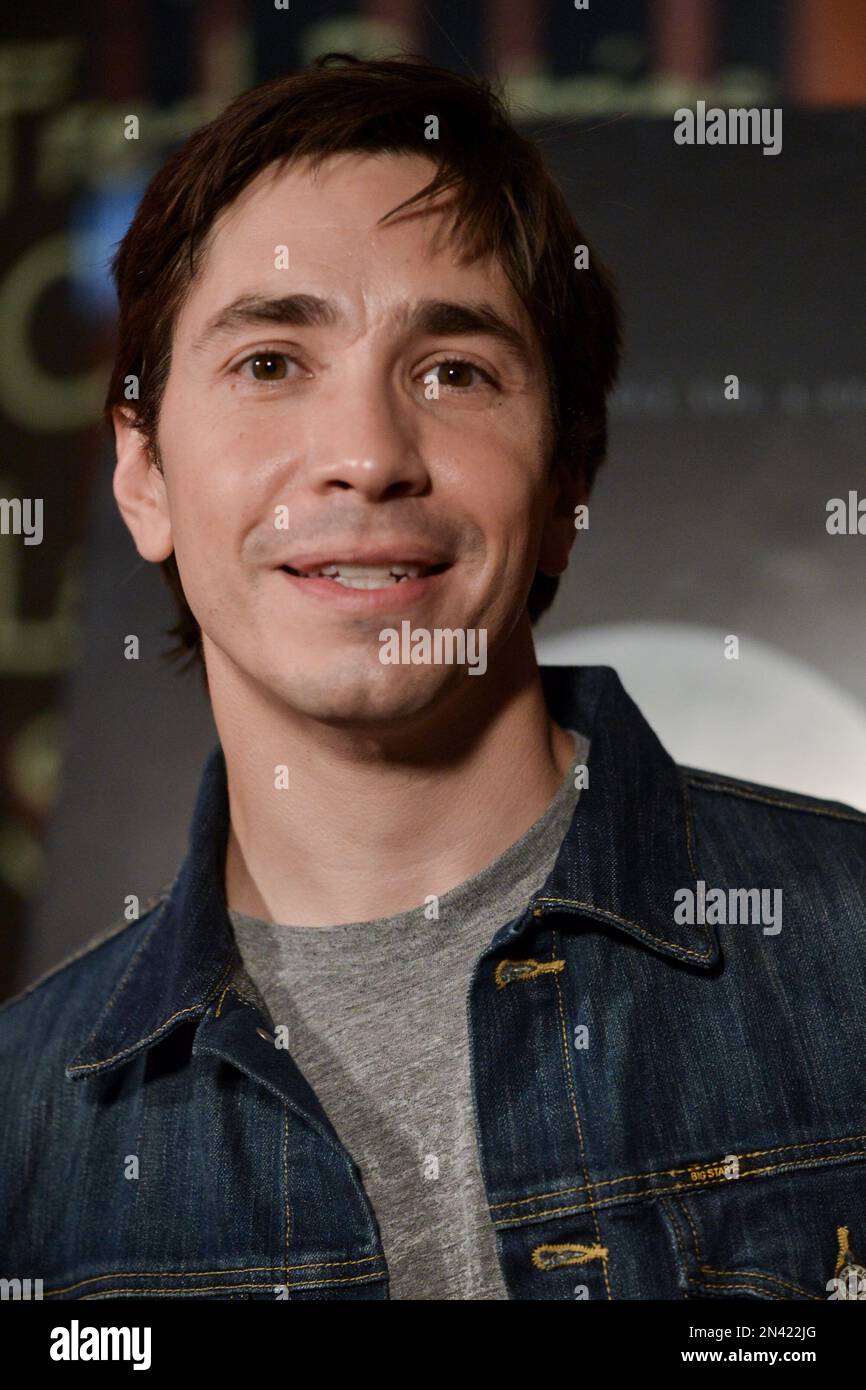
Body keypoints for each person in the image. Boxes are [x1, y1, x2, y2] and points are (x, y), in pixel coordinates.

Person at [1, 53, 864, 1303]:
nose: (364, 455)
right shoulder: (25, 1129)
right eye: (268, 365)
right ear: (142, 474)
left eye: (453, 372)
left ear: (566, 485)